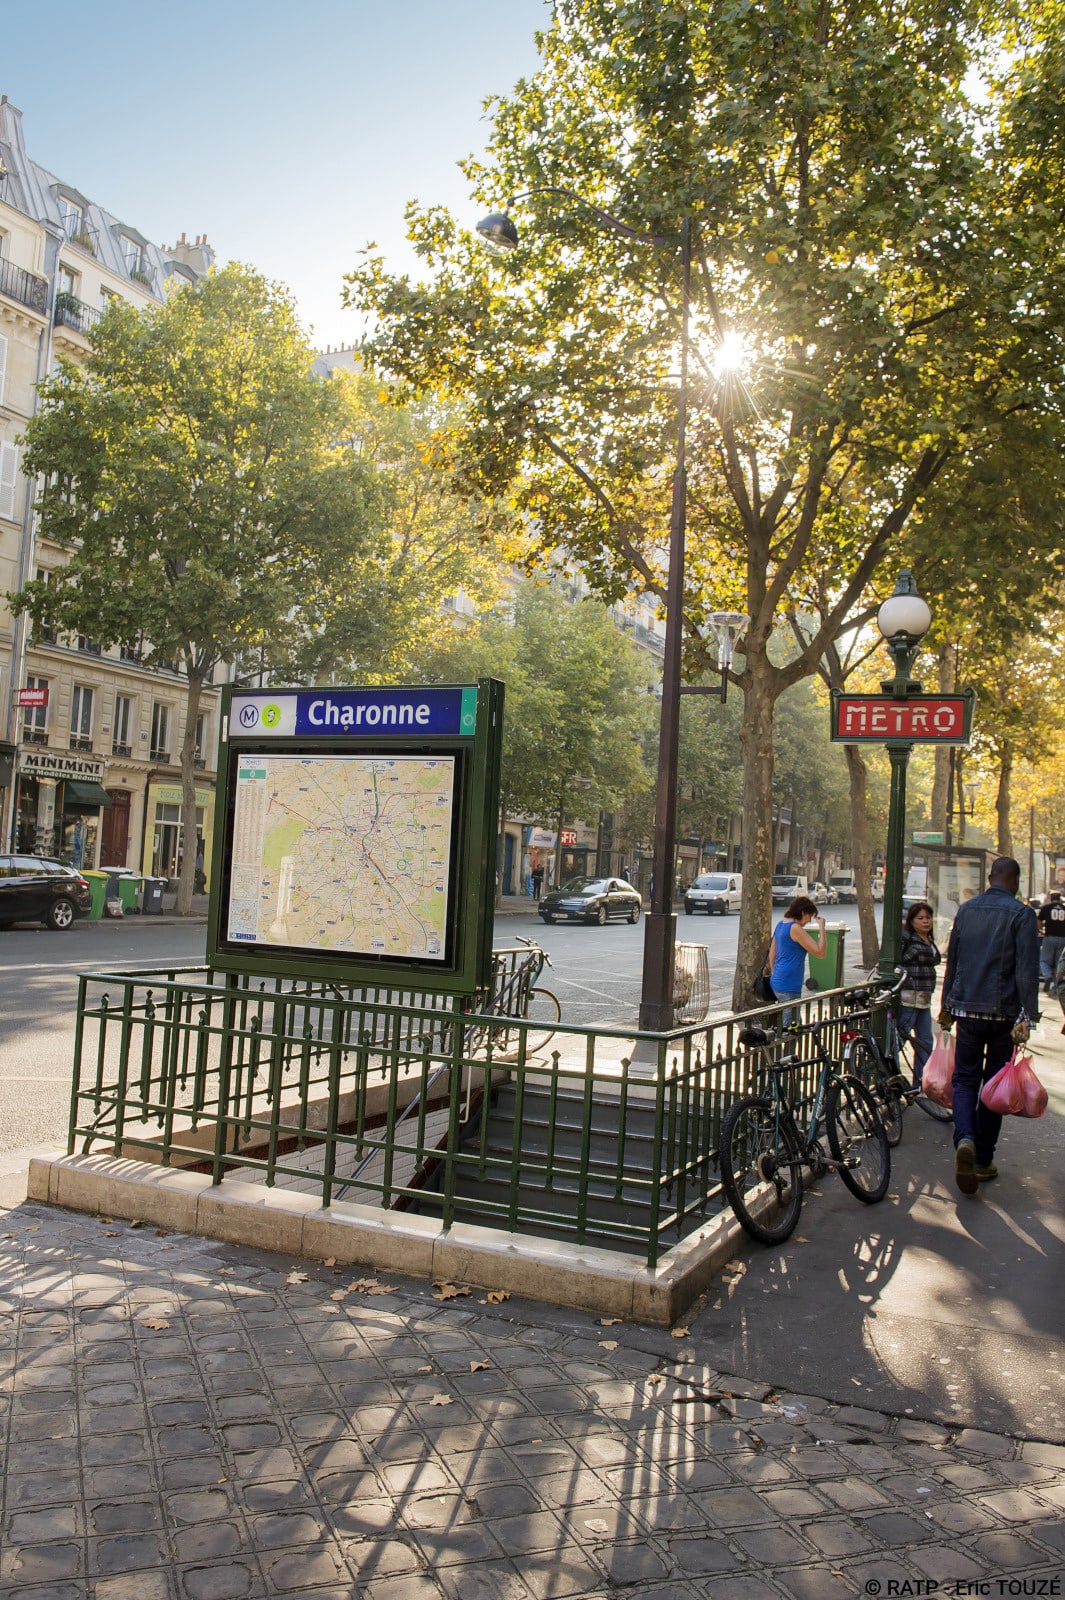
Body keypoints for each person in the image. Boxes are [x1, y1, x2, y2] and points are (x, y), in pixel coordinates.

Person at [940, 856, 1039, 1196]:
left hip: (966, 1011)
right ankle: (982, 1160)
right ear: (1016, 880)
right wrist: (1029, 1015)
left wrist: (945, 1007)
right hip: (1004, 1015)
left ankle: (964, 1138)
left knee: (965, 1078)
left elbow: (952, 959)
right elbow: (1026, 968)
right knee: (996, 1086)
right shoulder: (1022, 914)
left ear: (990, 877)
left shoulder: (967, 910)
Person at [898, 900, 941, 1088]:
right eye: (920, 918)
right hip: (909, 997)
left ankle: (920, 1082)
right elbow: (897, 963)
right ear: (912, 921)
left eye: (928, 917)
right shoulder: (907, 937)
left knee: (925, 1041)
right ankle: (893, 1078)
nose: (926, 921)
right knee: (900, 1039)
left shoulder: (928, 939)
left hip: (924, 998)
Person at [769, 896, 827, 1024]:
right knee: (791, 1028)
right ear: (802, 912)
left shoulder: (780, 925)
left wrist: (775, 973)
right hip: (789, 984)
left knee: (792, 1022)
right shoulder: (795, 928)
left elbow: (772, 954)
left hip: (778, 981)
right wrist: (822, 927)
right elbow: (820, 952)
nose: (809, 921)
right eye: (809, 916)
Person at [1036, 889, 1065, 994]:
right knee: (1058, 964)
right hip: (1062, 939)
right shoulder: (1064, 908)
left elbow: (1039, 921)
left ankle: (1047, 975)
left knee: (1044, 960)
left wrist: (1039, 930)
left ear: (1051, 899)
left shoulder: (1046, 908)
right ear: (1060, 899)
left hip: (1049, 937)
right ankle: (1056, 988)